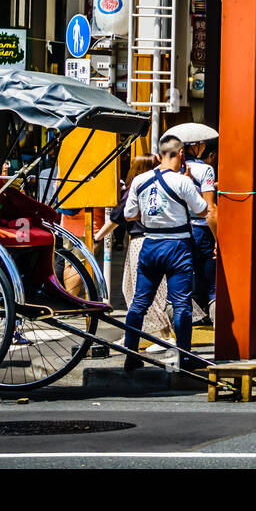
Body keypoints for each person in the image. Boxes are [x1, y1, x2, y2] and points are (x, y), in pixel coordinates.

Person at [122, 135, 209, 372]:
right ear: (181, 155)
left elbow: (129, 214)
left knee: (139, 303)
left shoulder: (140, 180)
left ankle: (131, 354)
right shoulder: (183, 182)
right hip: (178, 246)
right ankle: (183, 355)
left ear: (159, 156)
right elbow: (202, 211)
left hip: (150, 244)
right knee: (181, 304)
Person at [95, 155, 176, 349]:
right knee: (133, 290)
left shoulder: (136, 188)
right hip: (157, 240)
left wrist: (97, 238)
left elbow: (116, 217)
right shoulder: (158, 189)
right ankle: (133, 334)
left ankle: (166, 338)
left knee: (143, 292)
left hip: (140, 243)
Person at [182, 138, 218, 325]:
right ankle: (216, 318)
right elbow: (209, 208)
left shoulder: (164, 170)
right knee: (212, 281)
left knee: (183, 279)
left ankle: (191, 318)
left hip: (178, 230)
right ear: (195, 146)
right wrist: (218, 238)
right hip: (202, 229)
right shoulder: (205, 169)